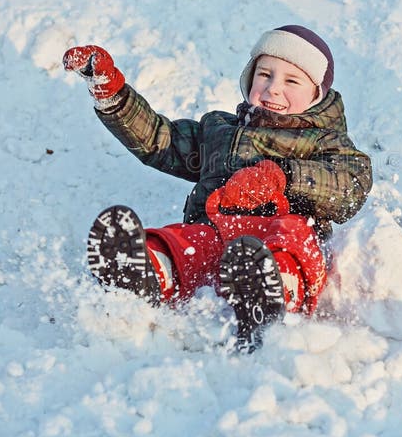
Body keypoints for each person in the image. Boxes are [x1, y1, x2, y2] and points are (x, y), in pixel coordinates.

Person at [63, 25, 372, 350]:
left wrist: (283, 175)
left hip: (277, 239)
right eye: (264, 75)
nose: (272, 89)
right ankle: (147, 271)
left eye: (291, 81)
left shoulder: (324, 141)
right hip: (216, 234)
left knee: (293, 235)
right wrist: (114, 96)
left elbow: (351, 183)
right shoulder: (220, 131)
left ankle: (273, 289)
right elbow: (160, 141)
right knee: (188, 241)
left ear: (316, 95)